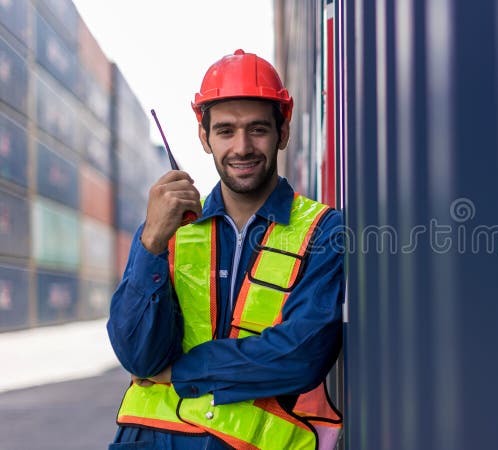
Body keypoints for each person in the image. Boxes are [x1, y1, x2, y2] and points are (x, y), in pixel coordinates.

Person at [107, 49, 343, 450]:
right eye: (226, 131)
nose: (242, 147)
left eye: (257, 129)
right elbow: (137, 355)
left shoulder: (323, 230)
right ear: (204, 138)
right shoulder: (167, 228)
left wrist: (181, 373)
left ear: (282, 132)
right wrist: (151, 243)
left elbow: (301, 355)